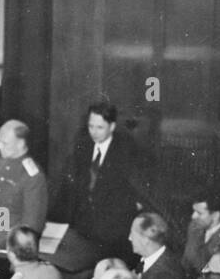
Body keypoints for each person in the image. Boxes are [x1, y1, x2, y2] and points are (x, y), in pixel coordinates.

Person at [59, 101, 152, 261]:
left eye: (100, 127)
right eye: (91, 126)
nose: (94, 132)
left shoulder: (126, 151)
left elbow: (135, 190)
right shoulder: (83, 145)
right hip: (84, 228)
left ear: (112, 126)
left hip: (112, 232)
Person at [0, 120, 48, 259]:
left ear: (21, 144)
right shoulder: (4, 161)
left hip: (11, 250)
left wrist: (16, 254)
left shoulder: (32, 176)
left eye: (5, 143)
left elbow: (32, 223)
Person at [182, 188, 220, 279]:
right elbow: (185, 263)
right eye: (193, 211)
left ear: (215, 215)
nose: (193, 216)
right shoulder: (194, 228)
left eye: (199, 213)